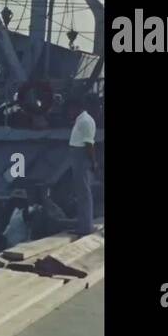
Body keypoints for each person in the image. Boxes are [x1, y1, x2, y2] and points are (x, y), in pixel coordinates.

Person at [67, 100, 98, 235]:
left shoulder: (85, 121)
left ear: (76, 107)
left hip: (81, 157)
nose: (69, 112)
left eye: (70, 109)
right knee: (81, 193)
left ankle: (86, 227)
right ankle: (84, 225)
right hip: (77, 155)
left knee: (84, 194)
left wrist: (93, 162)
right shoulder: (81, 120)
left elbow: (89, 145)